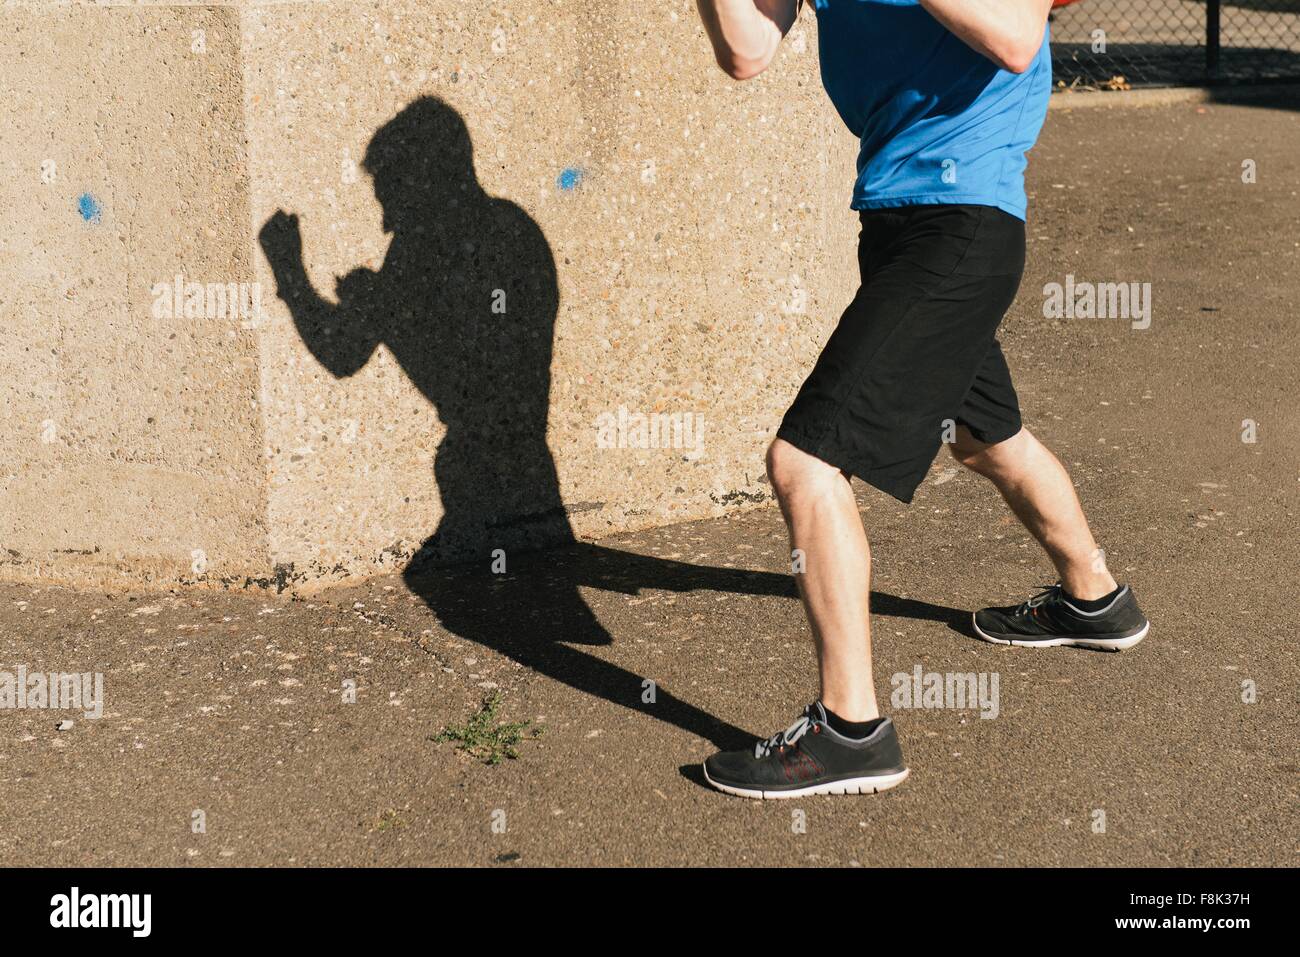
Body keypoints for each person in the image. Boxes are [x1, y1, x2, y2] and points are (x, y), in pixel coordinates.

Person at [694, 0, 1150, 800]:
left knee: (804, 460)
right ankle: (1096, 598)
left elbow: (1014, 37)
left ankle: (852, 729)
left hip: (963, 222)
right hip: (898, 218)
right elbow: (746, 49)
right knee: (983, 435)